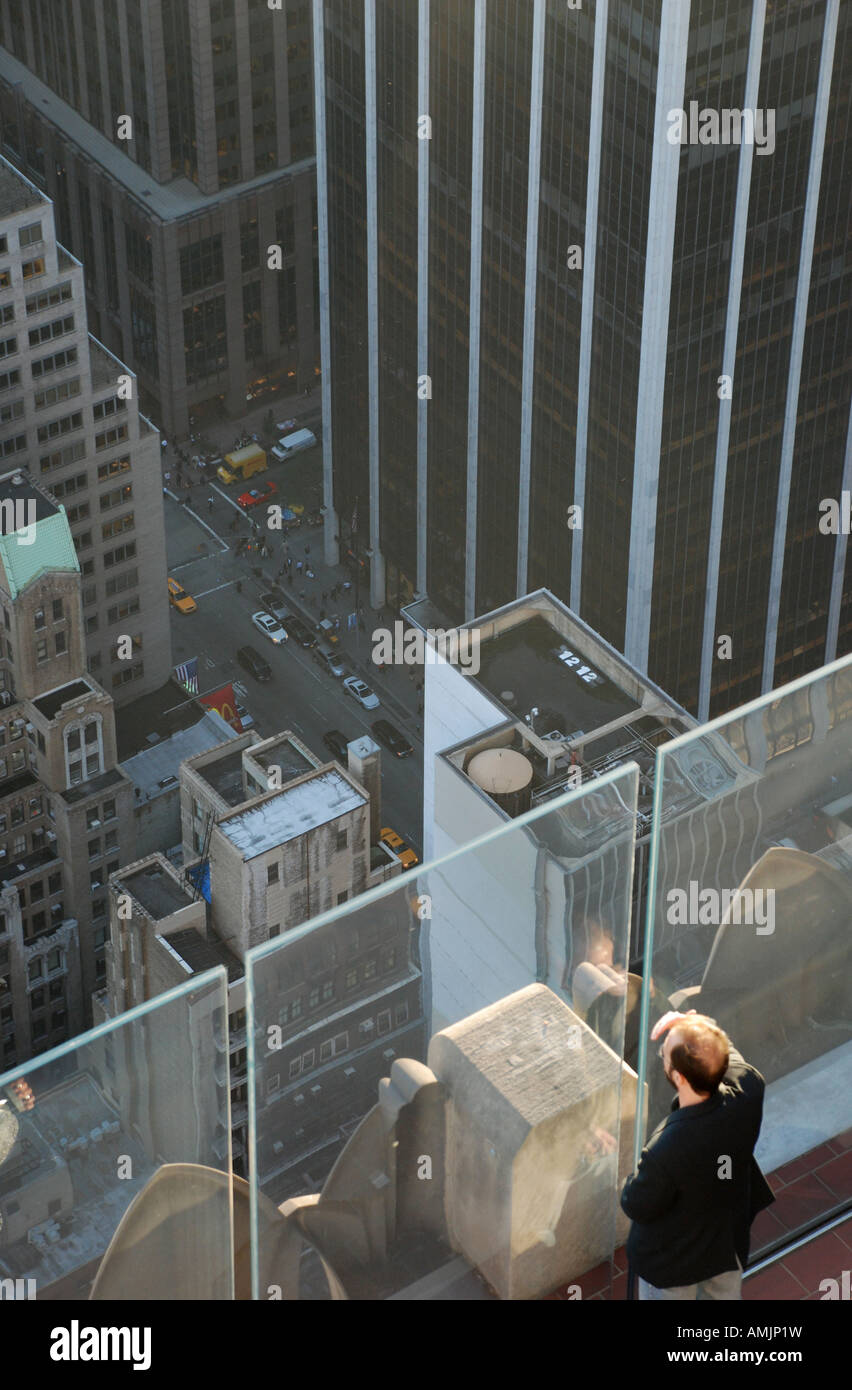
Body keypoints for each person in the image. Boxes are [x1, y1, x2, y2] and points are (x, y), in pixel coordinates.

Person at [621, 1010, 774, 1301]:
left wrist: (625, 1182)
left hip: (674, 1266)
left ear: (677, 1076)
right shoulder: (749, 1093)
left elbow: (636, 1204)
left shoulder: (664, 1151)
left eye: (663, 1054)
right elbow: (729, 1056)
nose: (663, 1057)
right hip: (725, 1245)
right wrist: (698, 1027)